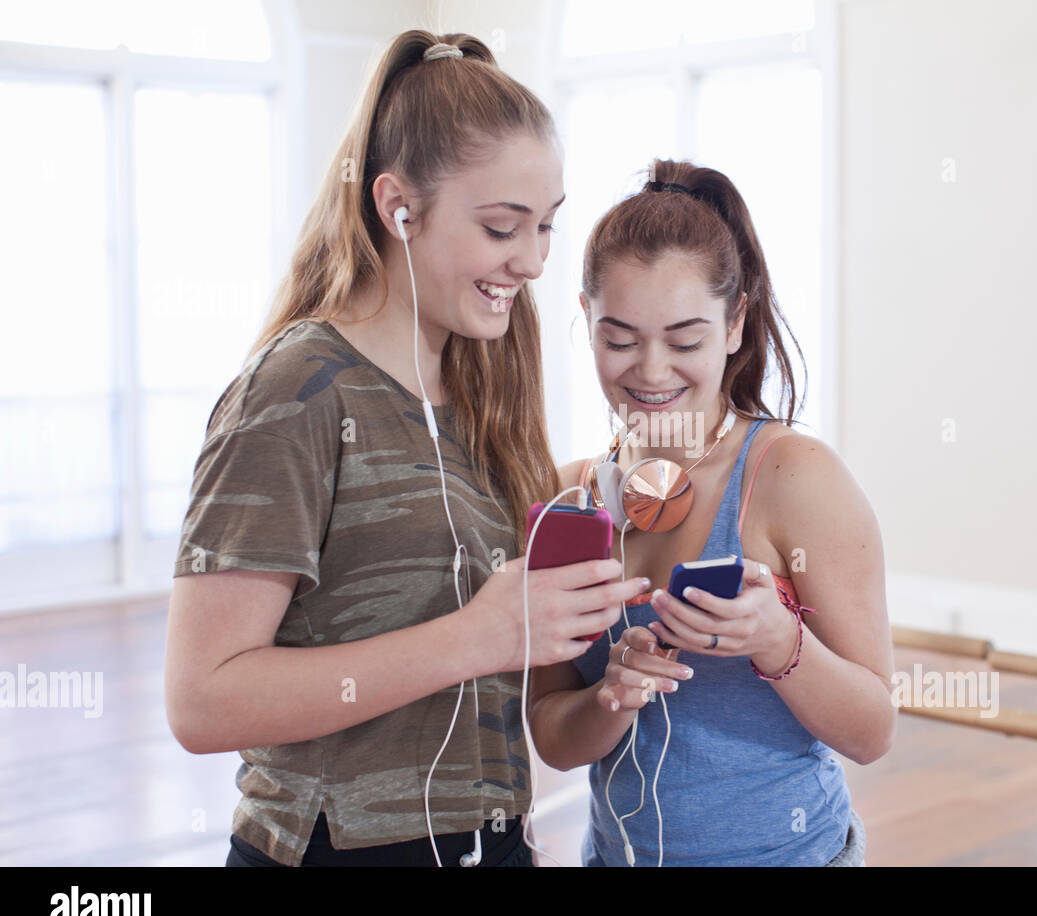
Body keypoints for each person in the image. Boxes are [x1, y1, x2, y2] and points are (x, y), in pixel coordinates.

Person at [163, 30, 646, 868]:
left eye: (545, 227)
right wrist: (479, 636)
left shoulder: (487, 382)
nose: (530, 261)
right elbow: (201, 702)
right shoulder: (297, 391)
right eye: (502, 227)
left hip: (491, 842)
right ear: (398, 207)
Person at [528, 159, 896, 866]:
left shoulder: (794, 478)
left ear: (735, 325)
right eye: (621, 338)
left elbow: (873, 731)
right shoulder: (569, 498)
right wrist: (610, 696)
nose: (653, 371)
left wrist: (778, 642)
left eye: (685, 340)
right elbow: (552, 733)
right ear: (586, 319)